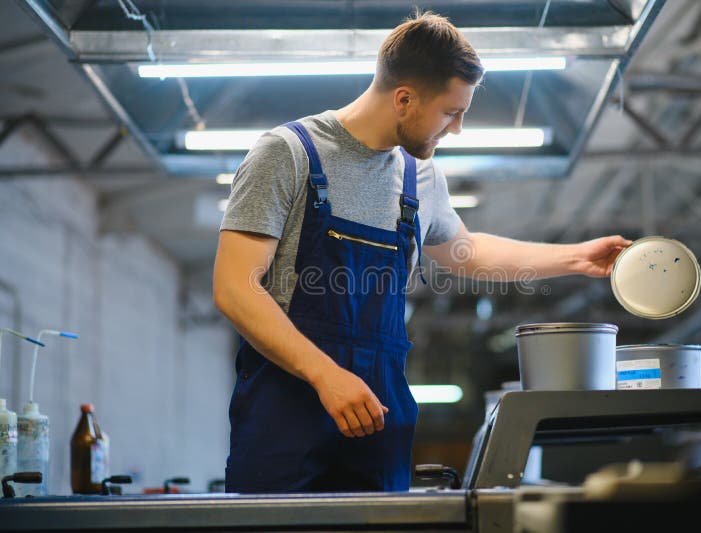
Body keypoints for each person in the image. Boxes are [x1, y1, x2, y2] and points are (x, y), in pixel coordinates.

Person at [213, 11, 631, 493]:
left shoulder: (421, 177)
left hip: (379, 420)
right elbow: (234, 289)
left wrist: (578, 258)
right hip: (285, 420)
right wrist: (326, 376)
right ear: (405, 99)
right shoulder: (287, 154)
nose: (456, 130)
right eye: (451, 113)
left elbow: (465, 252)